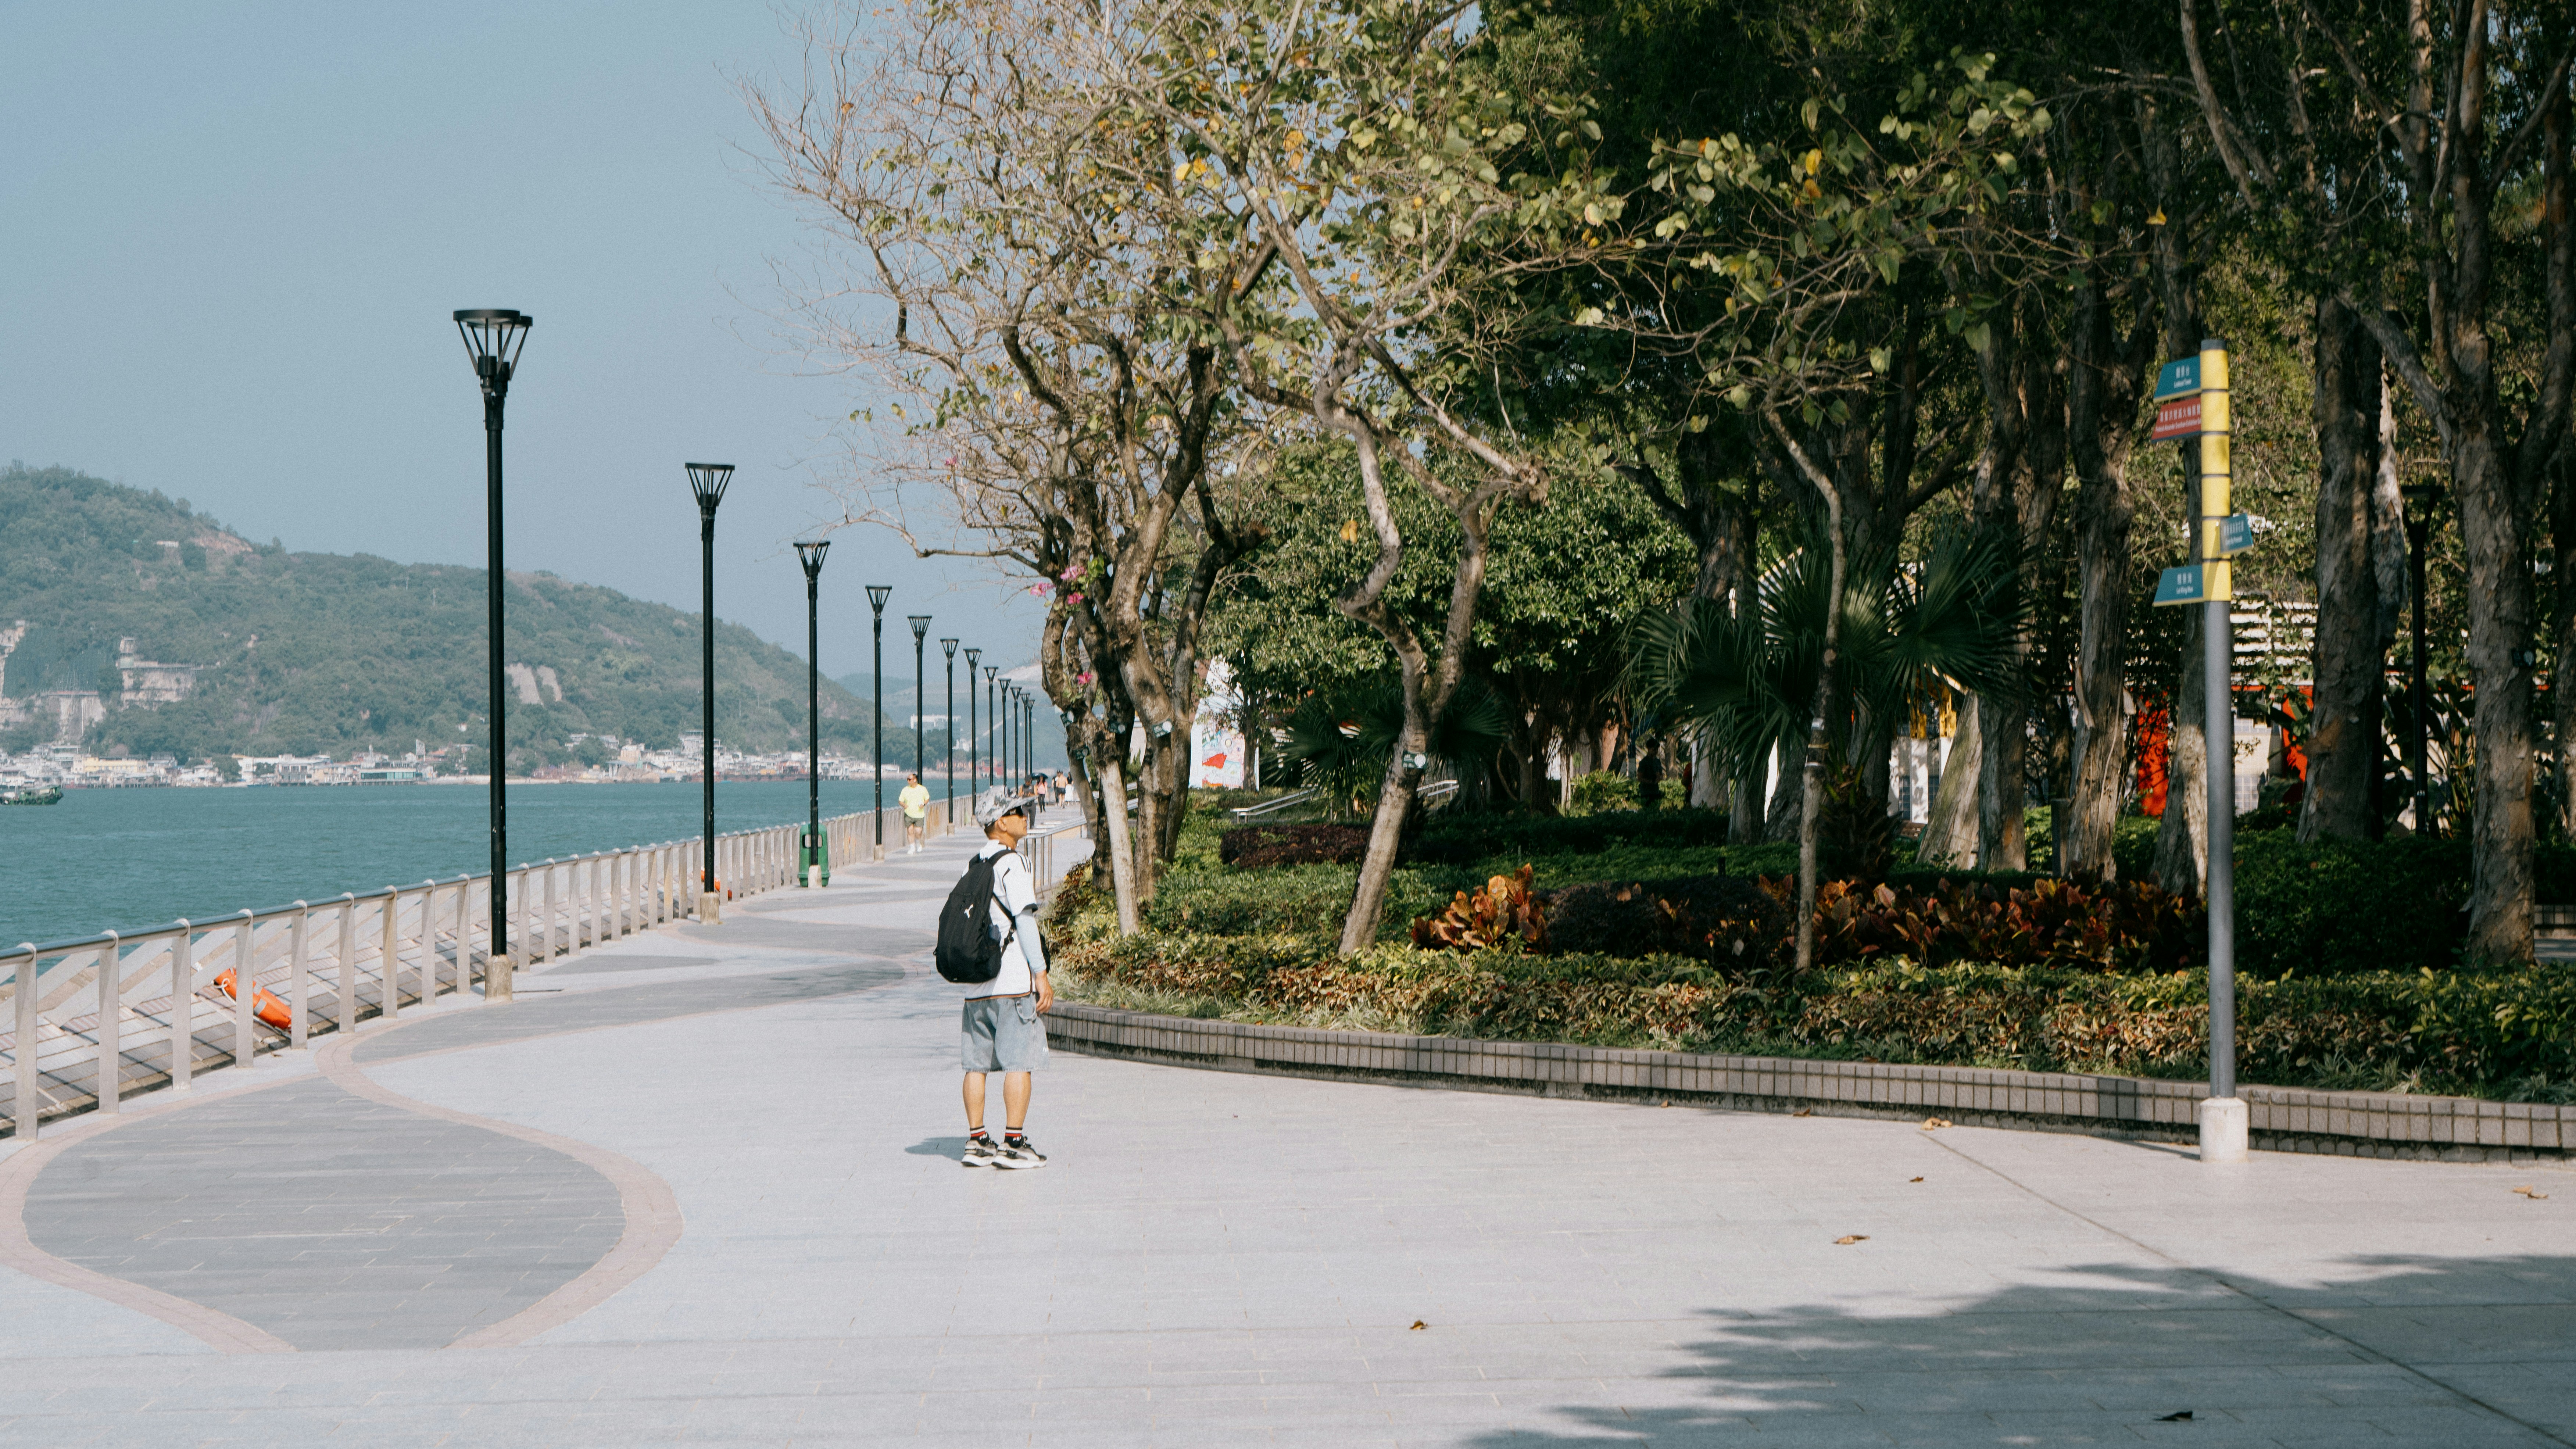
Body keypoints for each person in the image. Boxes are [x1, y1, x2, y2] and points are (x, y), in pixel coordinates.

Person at [960, 785, 1051, 1167]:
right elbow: (1025, 922)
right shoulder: (1014, 863)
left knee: (976, 1066)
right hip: (1012, 981)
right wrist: (1041, 973)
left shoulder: (975, 865)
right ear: (1001, 822)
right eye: (1018, 812)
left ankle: (978, 1142)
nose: (1025, 816)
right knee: (1019, 1062)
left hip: (977, 984)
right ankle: (1014, 1144)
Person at [899, 772, 931, 854]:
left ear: (915, 780)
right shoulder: (905, 790)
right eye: (908, 780)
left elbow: (927, 798)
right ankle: (912, 848)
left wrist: (924, 804)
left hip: (919, 815)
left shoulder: (922, 789)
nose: (908, 781)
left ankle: (918, 842)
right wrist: (904, 805)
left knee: (918, 832)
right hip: (909, 814)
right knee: (910, 831)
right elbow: (900, 801)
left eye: (910, 779)